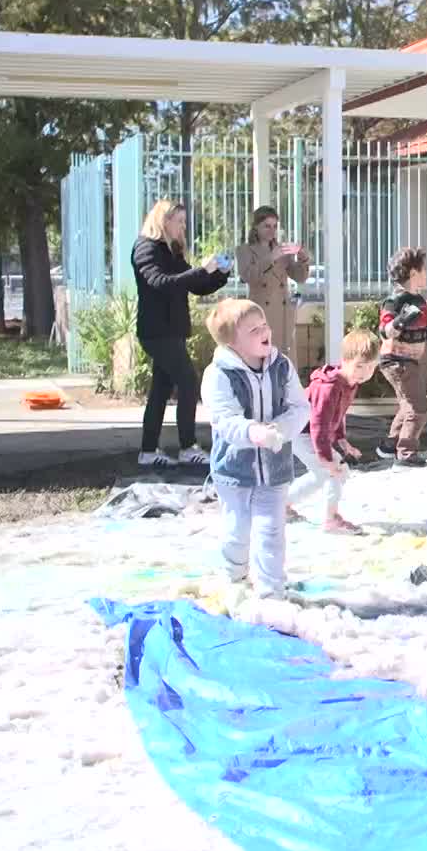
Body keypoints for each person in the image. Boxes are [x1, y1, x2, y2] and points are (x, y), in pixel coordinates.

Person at [201, 298, 310, 600]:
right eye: (254, 329)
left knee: (271, 530)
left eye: (264, 325)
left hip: (275, 468)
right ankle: (234, 577)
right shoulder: (220, 374)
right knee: (237, 530)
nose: (265, 331)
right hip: (235, 469)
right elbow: (223, 418)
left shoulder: (281, 367)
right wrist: (253, 432)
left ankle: (271, 591)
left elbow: (301, 407)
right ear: (232, 343)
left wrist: (280, 430)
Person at [132, 200, 230, 467]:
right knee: (188, 381)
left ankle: (148, 451)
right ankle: (187, 446)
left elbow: (192, 286)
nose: (183, 227)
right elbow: (161, 283)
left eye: (184, 222)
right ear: (164, 220)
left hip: (172, 331)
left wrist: (220, 275)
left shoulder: (171, 251)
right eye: (180, 221)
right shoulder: (146, 248)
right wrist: (202, 270)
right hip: (156, 332)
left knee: (160, 391)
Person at [290, 329, 382, 536]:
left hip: (310, 433)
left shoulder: (350, 382)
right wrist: (326, 458)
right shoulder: (329, 387)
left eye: (371, 367)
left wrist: (342, 440)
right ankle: (331, 519)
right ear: (345, 360)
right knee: (336, 471)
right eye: (359, 366)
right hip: (303, 432)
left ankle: (284, 505)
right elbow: (318, 425)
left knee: (322, 475)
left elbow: (338, 414)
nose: (364, 372)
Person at [378, 248, 427, 466]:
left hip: (409, 362)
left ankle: (389, 445)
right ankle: (406, 453)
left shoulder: (420, 301)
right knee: (418, 407)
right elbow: (384, 330)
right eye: (423, 270)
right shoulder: (393, 301)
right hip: (396, 362)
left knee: (407, 405)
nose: (426, 274)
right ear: (413, 273)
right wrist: (400, 320)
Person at [237, 206, 312, 365]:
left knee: (283, 361)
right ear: (256, 227)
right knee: (262, 358)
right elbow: (248, 276)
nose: (272, 230)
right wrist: (271, 258)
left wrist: (303, 257)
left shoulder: (281, 250)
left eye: (275, 226)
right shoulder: (244, 250)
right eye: (267, 226)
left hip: (283, 313)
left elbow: (300, 277)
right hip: (261, 313)